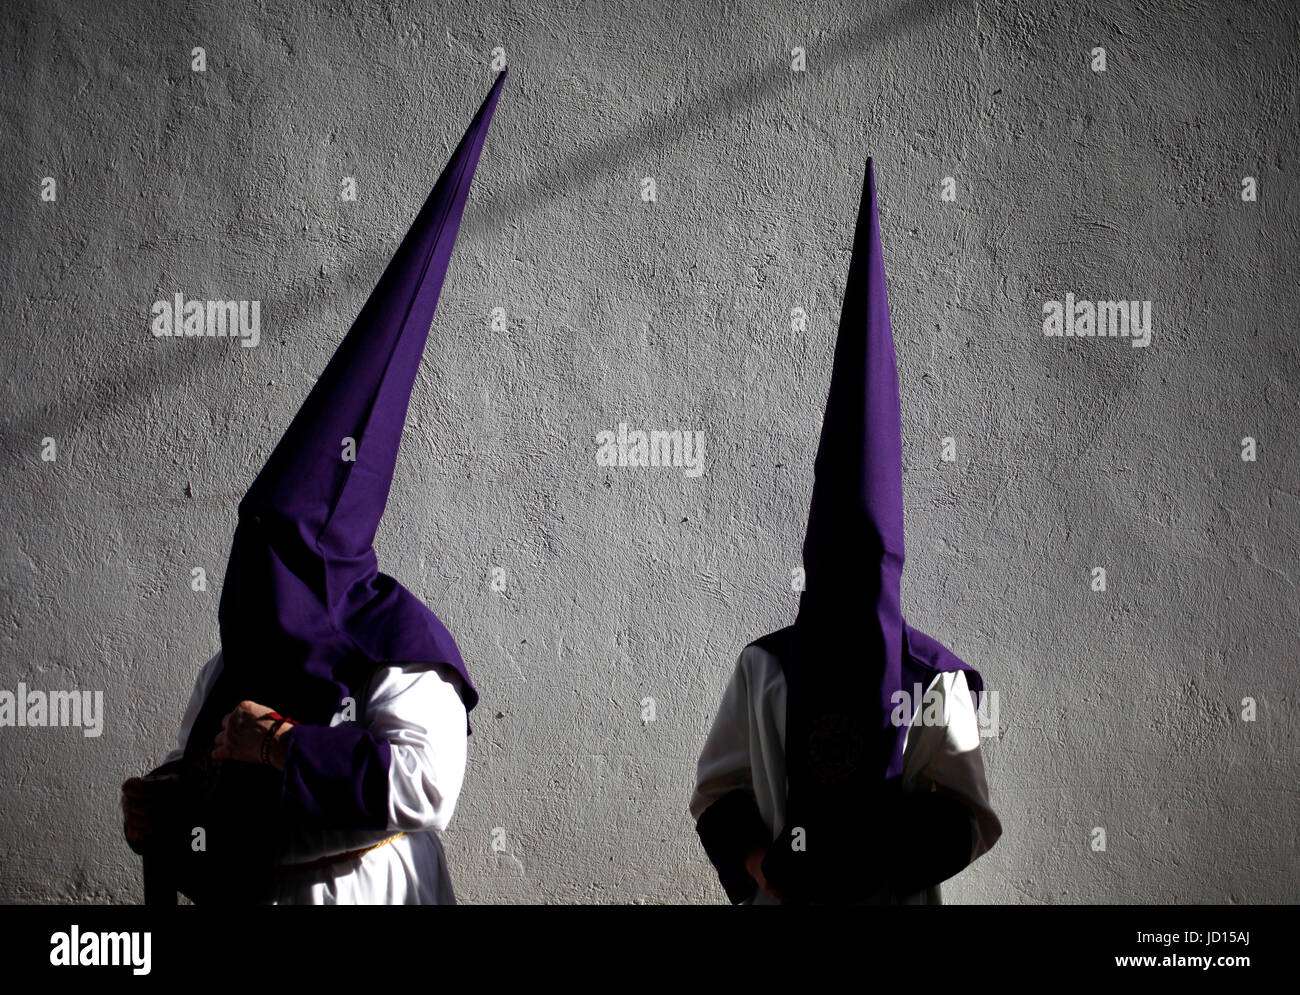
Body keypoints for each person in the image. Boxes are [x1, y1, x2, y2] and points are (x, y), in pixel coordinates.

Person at [120, 70, 507, 905]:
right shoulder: (235, 661)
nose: (263, 566)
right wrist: (162, 796)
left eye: (286, 545)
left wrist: (287, 746)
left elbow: (427, 785)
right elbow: (206, 765)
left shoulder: (398, 648)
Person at [690, 159, 1002, 904]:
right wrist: (769, 865)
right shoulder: (765, 668)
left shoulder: (930, 678)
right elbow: (719, 786)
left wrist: (869, 869)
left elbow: (969, 814)